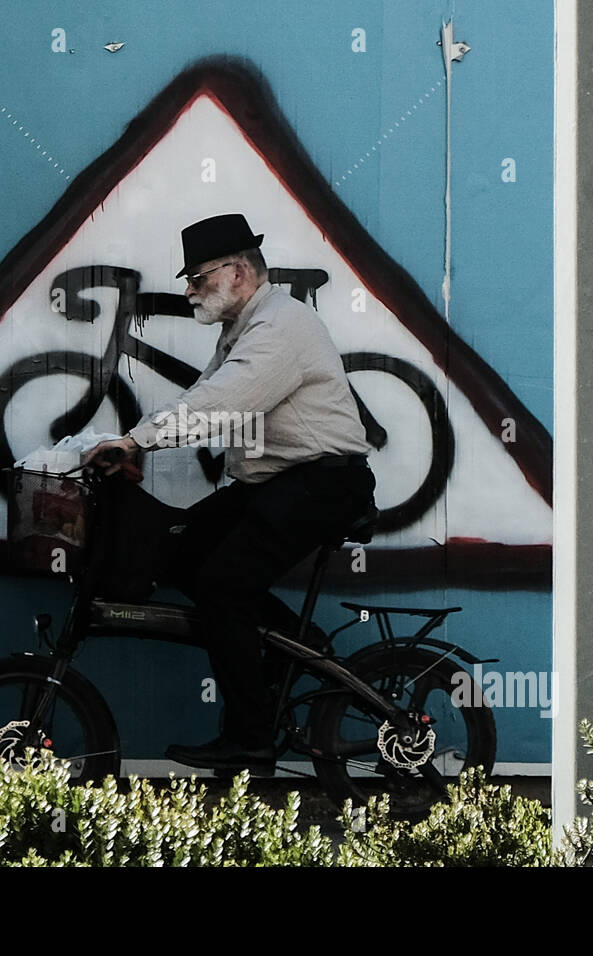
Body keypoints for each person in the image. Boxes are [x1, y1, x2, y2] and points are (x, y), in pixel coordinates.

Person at [84, 213, 375, 774]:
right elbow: (207, 395)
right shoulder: (244, 329)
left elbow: (225, 403)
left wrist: (136, 438)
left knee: (223, 585)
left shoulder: (280, 328)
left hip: (323, 483)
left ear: (238, 271)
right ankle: (299, 645)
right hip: (278, 482)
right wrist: (140, 447)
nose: (189, 290)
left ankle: (249, 739)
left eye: (197, 278)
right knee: (183, 556)